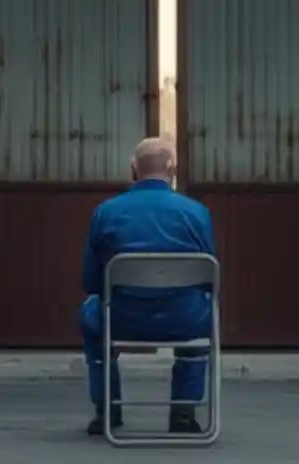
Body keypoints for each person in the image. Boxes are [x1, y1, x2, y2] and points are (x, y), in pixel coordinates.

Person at [77, 137, 216, 436]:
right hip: (183, 318)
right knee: (203, 310)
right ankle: (183, 413)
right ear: (172, 169)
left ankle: (108, 410)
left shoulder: (106, 212)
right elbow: (209, 278)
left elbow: (90, 281)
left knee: (90, 313)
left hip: (121, 318)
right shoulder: (196, 213)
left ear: (133, 170)